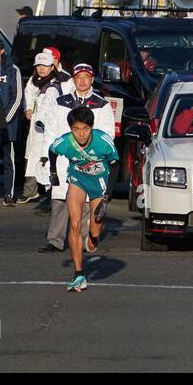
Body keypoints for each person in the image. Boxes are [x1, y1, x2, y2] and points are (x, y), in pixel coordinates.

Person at [38, 63, 115, 254]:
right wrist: (46, 156)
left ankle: (81, 240)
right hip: (64, 158)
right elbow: (51, 130)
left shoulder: (101, 104)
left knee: (86, 203)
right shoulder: (60, 102)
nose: (82, 81)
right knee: (60, 201)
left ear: (92, 80)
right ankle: (55, 241)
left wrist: (92, 152)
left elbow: (107, 134)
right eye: (78, 77)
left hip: (90, 161)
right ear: (73, 79)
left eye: (86, 77)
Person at [49, 107, 118, 292]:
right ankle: (78, 273)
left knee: (96, 225)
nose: (81, 134)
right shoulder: (65, 141)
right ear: (70, 128)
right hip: (77, 180)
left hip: (99, 182)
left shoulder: (103, 141)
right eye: (76, 129)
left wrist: (107, 196)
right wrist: (53, 173)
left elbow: (115, 164)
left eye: (85, 129)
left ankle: (94, 237)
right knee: (75, 224)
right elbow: (52, 151)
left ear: (92, 127)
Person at [21, 50, 73, 203]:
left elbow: (51, 103)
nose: (41, 68)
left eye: (45, 65)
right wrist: (28, 108)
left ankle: (53, 195)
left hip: (50, 128)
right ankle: (33, 191)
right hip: (35, 128)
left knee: (49, 160)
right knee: (33, 158)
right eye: (39, 65)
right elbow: (28, 94)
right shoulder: (34, 80)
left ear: (53, 65)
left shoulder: (59, 83)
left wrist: (42, 119)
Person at [0, 37, 24, 206]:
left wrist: (5, 119)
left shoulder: (12, 69)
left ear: (2, 51)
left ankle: (9, 194)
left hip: (8, 123)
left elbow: (17, 97)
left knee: (9, 160)